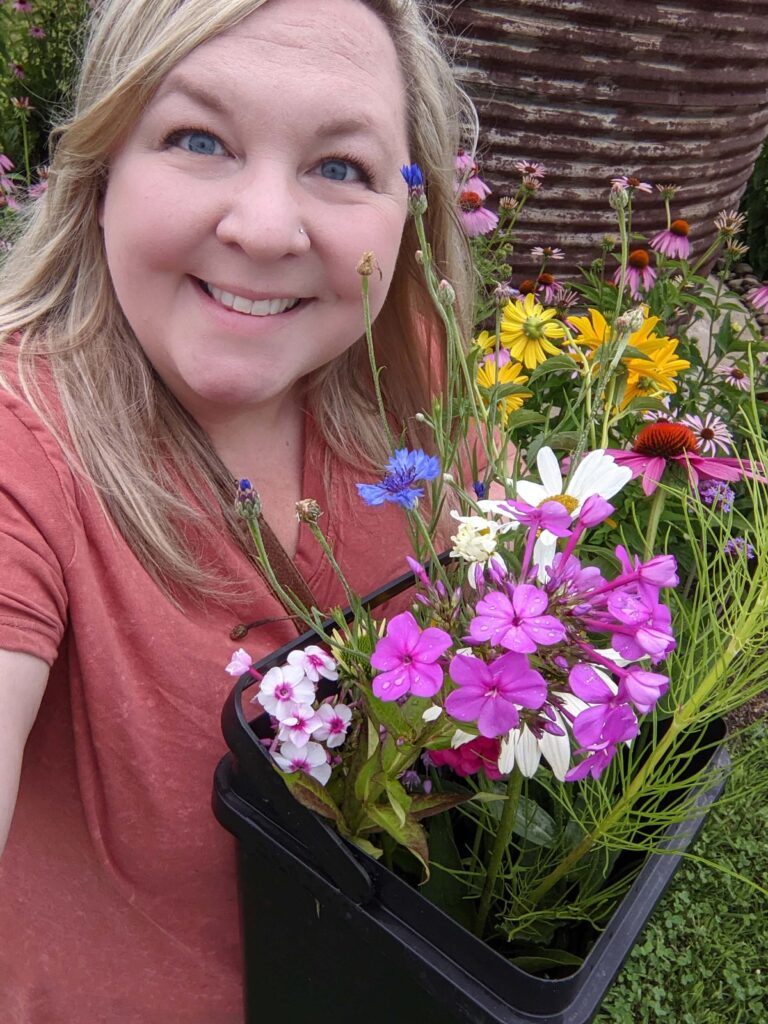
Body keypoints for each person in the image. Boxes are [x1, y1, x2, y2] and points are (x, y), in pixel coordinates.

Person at [0, 0, 477, 1020]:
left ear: (410, 216)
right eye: (199, 139)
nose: (263, 228)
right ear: (100, 173)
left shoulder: (420, 407)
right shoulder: (22, 446)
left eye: (340, 166)